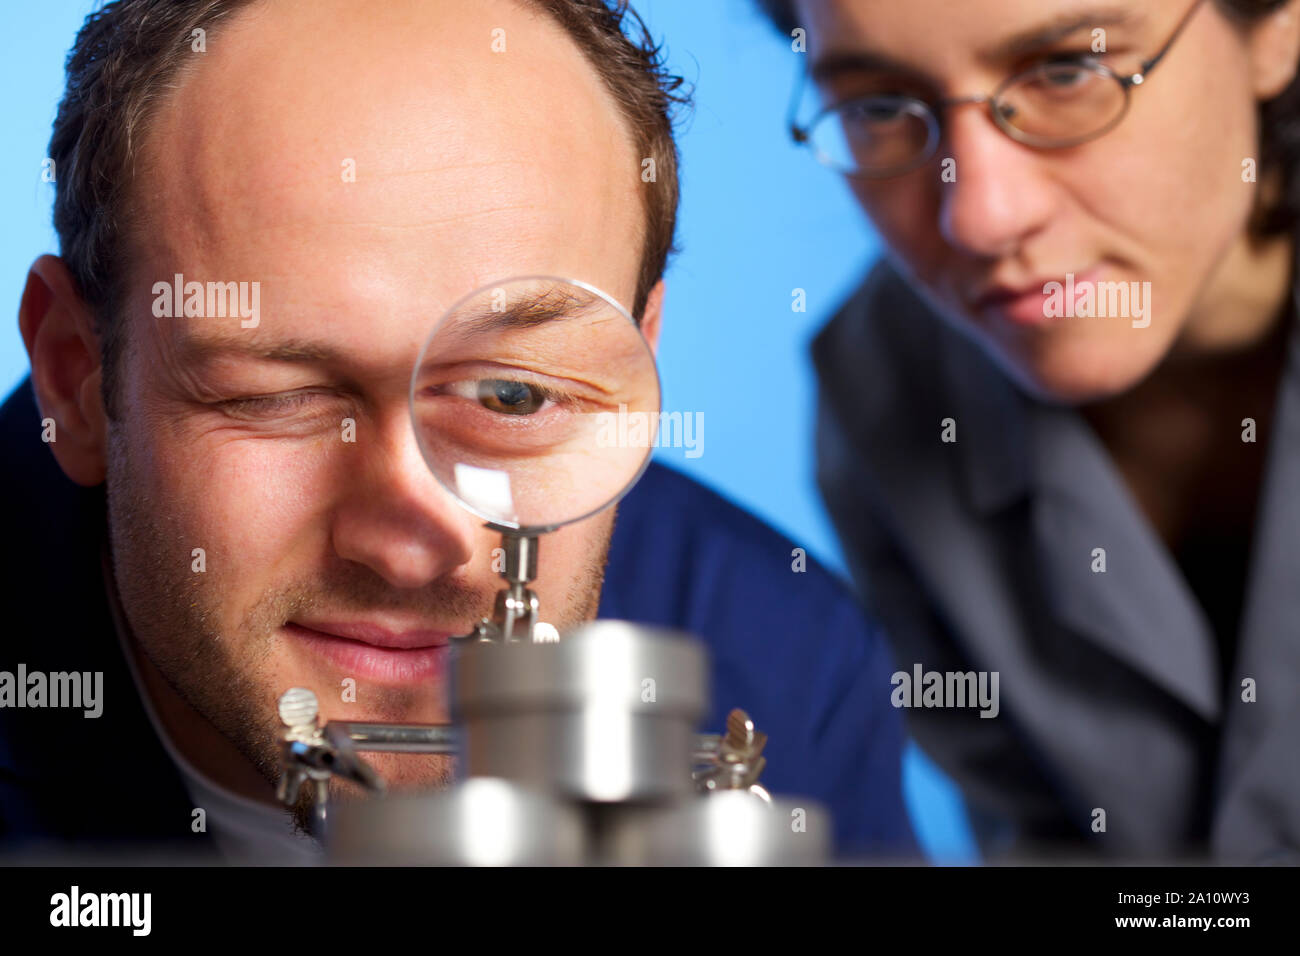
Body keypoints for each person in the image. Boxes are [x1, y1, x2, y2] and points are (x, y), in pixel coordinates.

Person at [2, 0, 915, 862]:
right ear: (76, 378)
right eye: (280, 396)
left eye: (513, 395)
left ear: (636, 365)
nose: (414, 550)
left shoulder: (789, 666)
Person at [759, 0, 1300, 861]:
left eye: (1065, 71)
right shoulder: (884, 387)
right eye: (878, 108)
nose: (980, 216)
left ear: (1276, 29)